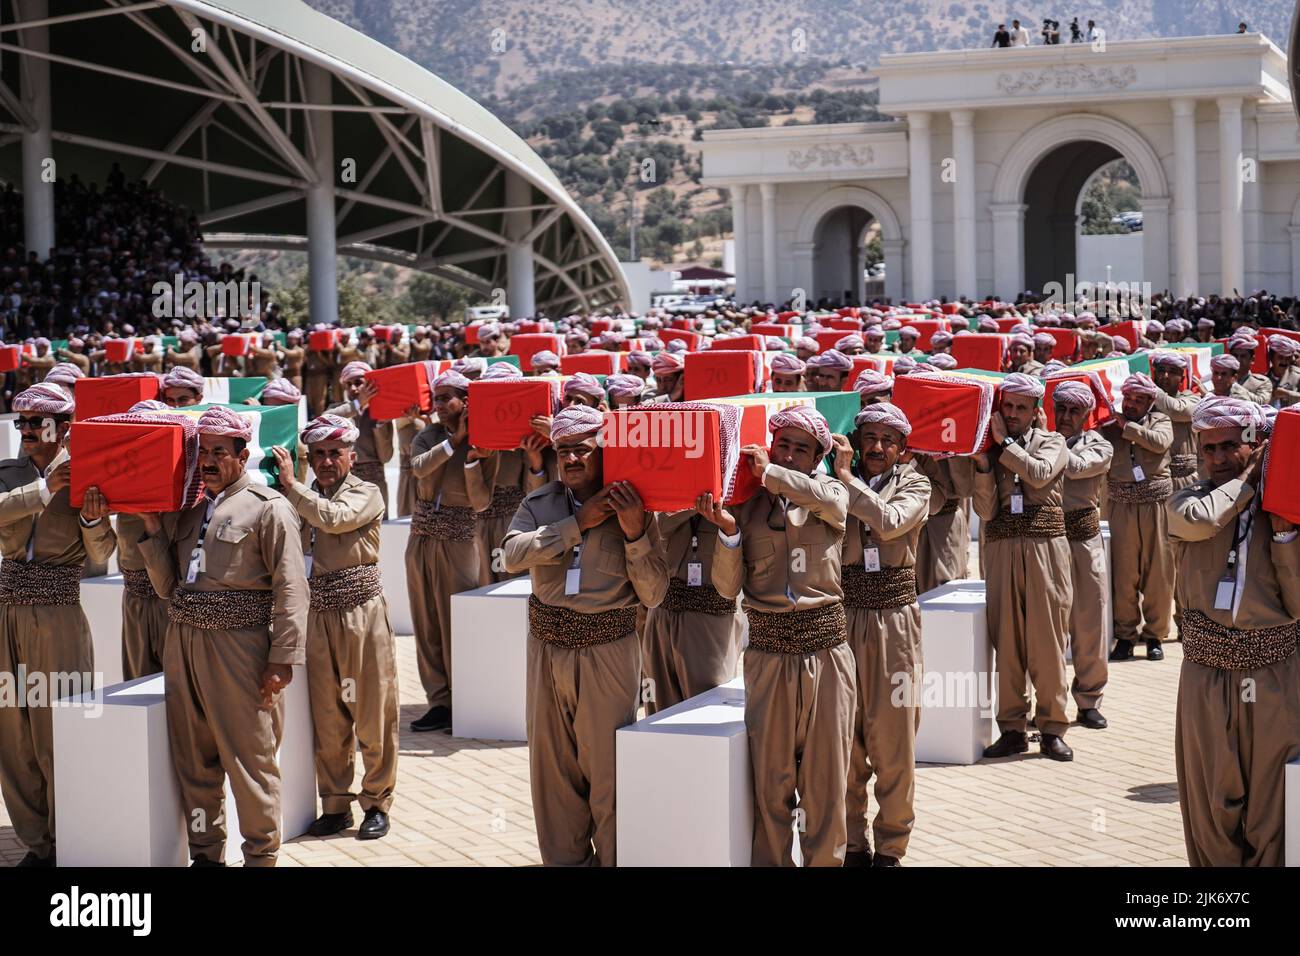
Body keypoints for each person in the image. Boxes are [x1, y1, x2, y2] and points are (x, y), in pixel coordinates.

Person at [137, 405, 308, 866]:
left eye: (219, 452)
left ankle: (261, 856)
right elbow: (168, 588)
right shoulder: (189, 512)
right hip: (184, 644)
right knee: (195, 762)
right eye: (203, 451)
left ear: (242, 454)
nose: (208, 460)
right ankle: (207, 855)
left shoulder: (269, 508)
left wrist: (282, 659)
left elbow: (293, 586)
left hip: (242, 648)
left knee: (251, 763)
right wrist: (153, 530)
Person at [502, 404, 667, 866]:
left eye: (583, 451)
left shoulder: (635, 506)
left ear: (603, 454)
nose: (572, 460)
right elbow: (512, 554)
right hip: (547, 647)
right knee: (553, 770)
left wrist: (634, 534)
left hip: (607, 650)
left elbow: (653, 593)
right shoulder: (540, 504)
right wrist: (577, 524)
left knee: (607, 770)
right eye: (564, 451)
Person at [1169, 397, 1300, 866]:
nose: (1218, 458)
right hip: (1207, 674)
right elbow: (1199, 522)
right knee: (1211, 802)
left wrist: (1284, 535)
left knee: (1273, 805)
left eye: (1229, 447)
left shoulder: (1286, 509)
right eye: (1209, 449)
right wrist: (1249, 482)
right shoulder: (1188, 497)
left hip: (1272, 674)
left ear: (1255, 443)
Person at [733, 407, 856, 866]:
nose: (787, 454)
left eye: (800, 448)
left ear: (818, 456)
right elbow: (730, 586)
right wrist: (727, 535)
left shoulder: (829, 492)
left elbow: (835, 503)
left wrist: (771, 474)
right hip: (767, 655)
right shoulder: (748, 504)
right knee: (772, 784)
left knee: (826, 783)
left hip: (826, 653)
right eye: (781, 443)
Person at [0, 383, 116, 867]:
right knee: (12, 730)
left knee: (56, 728)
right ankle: (36, 844)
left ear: (64, 426)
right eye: (21, 421)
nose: (25, 430)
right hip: (7, 611)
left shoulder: (90, 475)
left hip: (59, 611)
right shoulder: (8, 474)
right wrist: (43, 491)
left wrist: (92, 523)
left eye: (36, 423)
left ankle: (68, 834)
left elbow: (103, 555)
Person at [272, 415, 398, 842]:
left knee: (371, 712)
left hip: (360, 613)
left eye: (334, 453)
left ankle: (377, 802)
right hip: (315, 614)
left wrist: (293, 486)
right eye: (318, 454)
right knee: (328, 716)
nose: (326, 461)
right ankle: (336, 806)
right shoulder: (296, 498)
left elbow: (334, 519)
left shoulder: (366, 492)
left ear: (352, 456)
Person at [831, 403, 929, 867]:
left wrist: (846, 480)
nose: (877, 447)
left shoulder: (915, 483)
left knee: (893, 740)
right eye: (870, 437)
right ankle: (852, 843)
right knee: (844, 739)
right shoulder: (833, 480)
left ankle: (891, 847)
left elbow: (889, 522)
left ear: (902, 448)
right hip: (843, 615)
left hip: (894, 622)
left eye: (888, 440)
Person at [971, 373, 1074, 762]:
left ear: (1035, 412)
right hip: (1000, 547)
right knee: (1007, 641)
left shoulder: (1053, 441)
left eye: (1020, 408)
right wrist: (983, 465)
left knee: (1046, 640)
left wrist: (1005, 444)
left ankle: (1052, 728)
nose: (1011, 414)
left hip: (1044, 547)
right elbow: (984, 510)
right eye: (1007, 406)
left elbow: (1039, 474)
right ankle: (1012, 727)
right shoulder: (991, 447)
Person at [405, 370, 491, 733]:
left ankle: (465, 698)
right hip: (421, 537)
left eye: (446, 398)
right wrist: (453, 442)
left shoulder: (486, 440)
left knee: (456, 623)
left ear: (465, 401)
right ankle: (438, 701)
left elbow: (482, 501)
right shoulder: (428, 437)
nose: (438, 406)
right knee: (426, 624)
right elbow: (418, 468)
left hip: (459, 540)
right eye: (436, 399)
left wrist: (471, 459)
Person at [641, 479, 745, 715]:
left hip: (712, 621)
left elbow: (731, 582)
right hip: (661, 614)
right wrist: (689, 501)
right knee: (658, 714)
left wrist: (724, 523)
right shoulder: (665, 480)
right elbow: (651, 528)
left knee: (706, 714)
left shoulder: (741, 484)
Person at [1051, 381, 1114, 729]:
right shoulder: (1044, 439)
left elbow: (1074, 467)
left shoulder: (1100, 445)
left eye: (1074, 411)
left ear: (1087, 415)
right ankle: (1050, 699)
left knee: (1089, 623)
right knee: (1049, 627)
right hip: (1049, 541)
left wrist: (1049, 445)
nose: (1065, 417)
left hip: (1085, 541)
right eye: (1061, 409)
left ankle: (1089, 698)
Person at [1102, 373, 1175, 662]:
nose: (1130, 404)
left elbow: (1159, 443)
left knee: (1158, 572)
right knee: (1124, 574)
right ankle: (1125, 636)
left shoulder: (1161, 421)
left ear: (1149, 402)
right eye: (1127, 399)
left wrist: (1128, 427)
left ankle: (1155, 635)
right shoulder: (1111, 425)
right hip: (1121, 506)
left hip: (1156, 505)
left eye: (1137, 400)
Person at [327, 361, 394, 510]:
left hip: (374, 482)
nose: (353, 388)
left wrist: (380, 425)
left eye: (358, 383)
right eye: (348, 384)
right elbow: (325, 418)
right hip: (344, 480)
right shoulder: (339, 409)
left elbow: (386, 457)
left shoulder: (379, 413)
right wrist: (357, 404)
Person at [1266, 334, 1300, 408]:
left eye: (1287, 358)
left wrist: (1288, 394)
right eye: (1280, 357)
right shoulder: (1262, 376)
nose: (1284, 362)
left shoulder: (1297, 376)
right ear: (1272, 357)